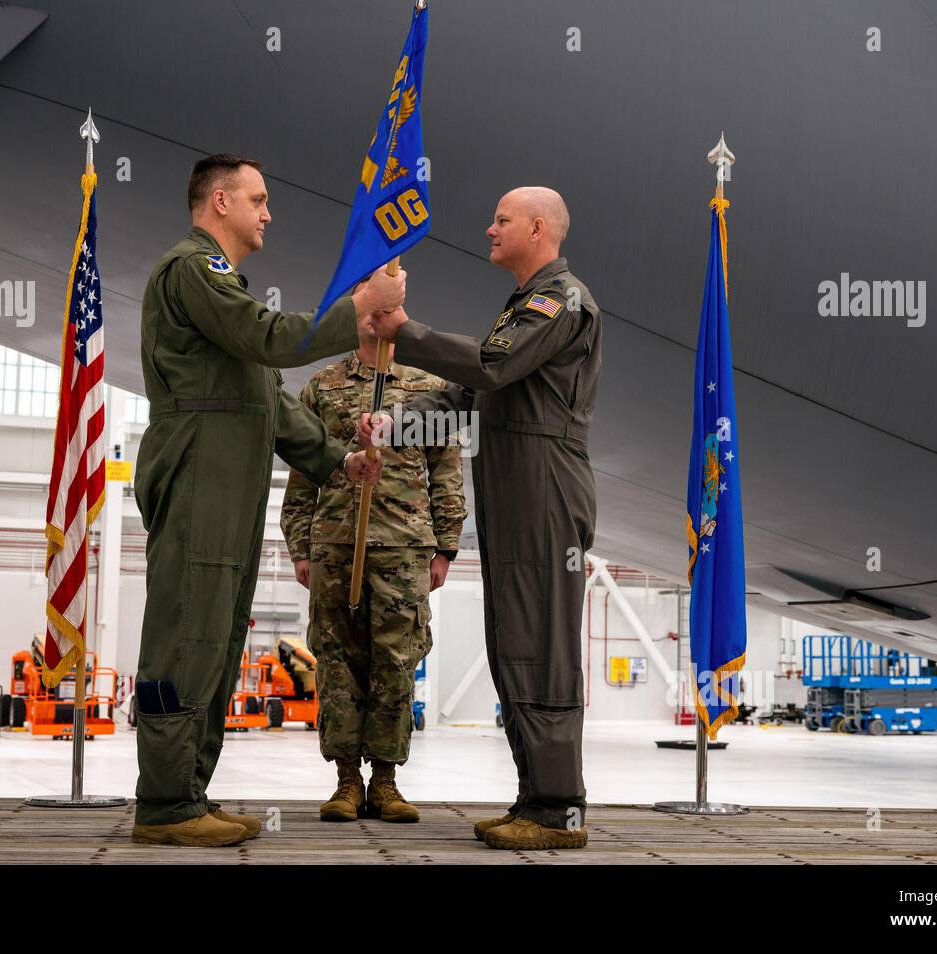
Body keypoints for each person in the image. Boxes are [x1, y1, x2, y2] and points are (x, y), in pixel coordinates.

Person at [131, 154, 403, 848]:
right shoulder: (195, 270)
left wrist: (339, 460)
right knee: (187, 635)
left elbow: (269, 404)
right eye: (258, 199)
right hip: (200, 474)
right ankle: (165, 803)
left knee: (216, 640)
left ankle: (188, 792)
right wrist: (361, 308)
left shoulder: (222, 293)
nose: (268, 212)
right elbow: (270, 340)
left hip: (227, 479)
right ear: (219, 201)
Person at [362, 186, 601, 850]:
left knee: (542, 641)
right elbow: (467, 393)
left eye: (500, 220)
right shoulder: (523, 306)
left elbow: (491, 369)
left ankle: (558, 808)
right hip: (516, 486)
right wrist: (394, 421)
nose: (489, 229)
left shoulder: (561, 301)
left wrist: (404, 332)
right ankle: (536, 796)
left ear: (536, 226)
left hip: (544, 486)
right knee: (515, 636)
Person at [280, 320, 466, 823]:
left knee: (396, 661)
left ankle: (385, 781)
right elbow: (302, 472)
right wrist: (301, 548)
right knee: (336, 660)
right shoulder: (322, 386)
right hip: (336, 545)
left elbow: (446, 471)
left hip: (404, 550)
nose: (375, 318)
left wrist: (445, 547)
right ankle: (345, 781)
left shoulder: (427, 389)